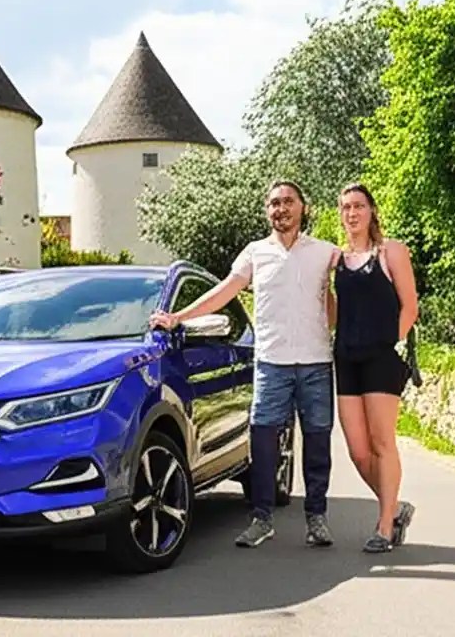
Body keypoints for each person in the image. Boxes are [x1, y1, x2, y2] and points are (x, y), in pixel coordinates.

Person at [149, 180, 339, 549]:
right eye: (273, 203)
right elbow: (223, 292)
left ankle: (317, 519)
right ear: (267, 211)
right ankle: (261, 519)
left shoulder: (325, 253)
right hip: (271, 363)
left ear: (303, 207)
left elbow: (352, 285)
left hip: (316, 362)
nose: (280, 209)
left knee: (317, 442)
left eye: (288, 202)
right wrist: (176, 317)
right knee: (263, 441)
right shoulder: (255, 253)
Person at [331, 182, 419, 553]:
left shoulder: (391, 252)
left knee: (383, 444)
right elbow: (335, 317)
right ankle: (396, 507)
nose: (352, 214)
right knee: (358, 451)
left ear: (371, 211)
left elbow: (410, 307)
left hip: (381, 358)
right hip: (346, 358)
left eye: (359, 206)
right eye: (346, 208)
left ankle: (384, 527)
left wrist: (389, 343)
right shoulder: (336, 260)